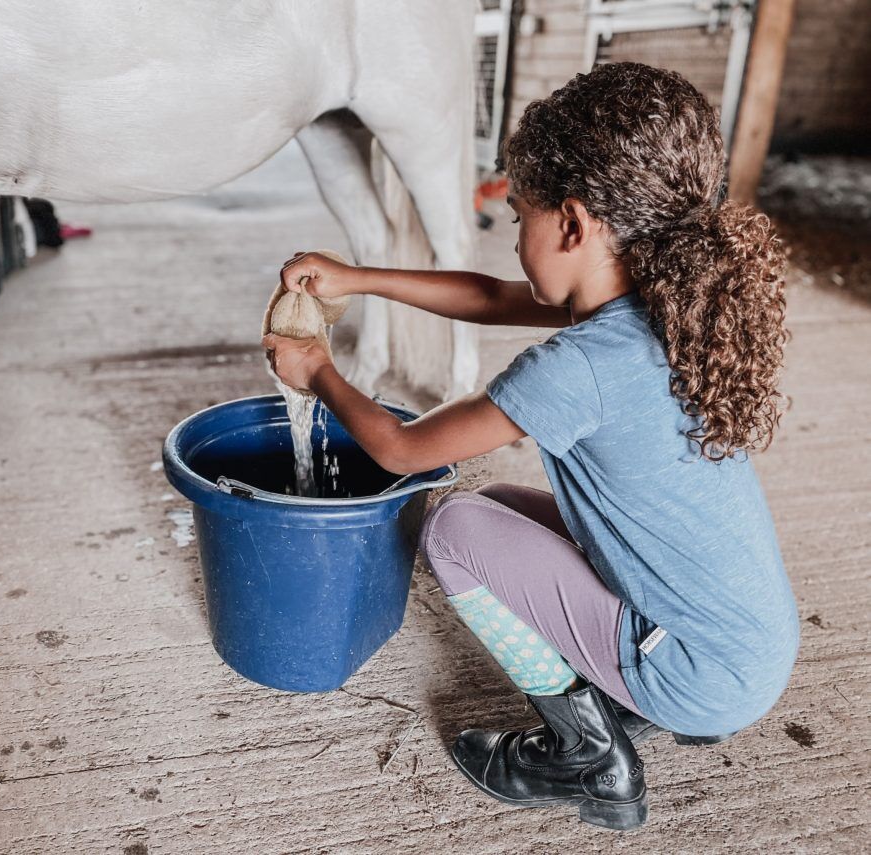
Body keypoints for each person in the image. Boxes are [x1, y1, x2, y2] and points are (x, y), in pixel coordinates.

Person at [263, 62, 798, 831]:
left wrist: (318, 371)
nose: (513, 236)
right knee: (502, 508)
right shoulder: (657, 301)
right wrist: (359, 277)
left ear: (573, 225)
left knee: (455, 529)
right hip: (747, 650)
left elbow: (403, 451)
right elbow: (491, 298)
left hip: (698, 670)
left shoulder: (579, 367)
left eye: (518, 216)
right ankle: (636, 692)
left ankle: (587, 756)